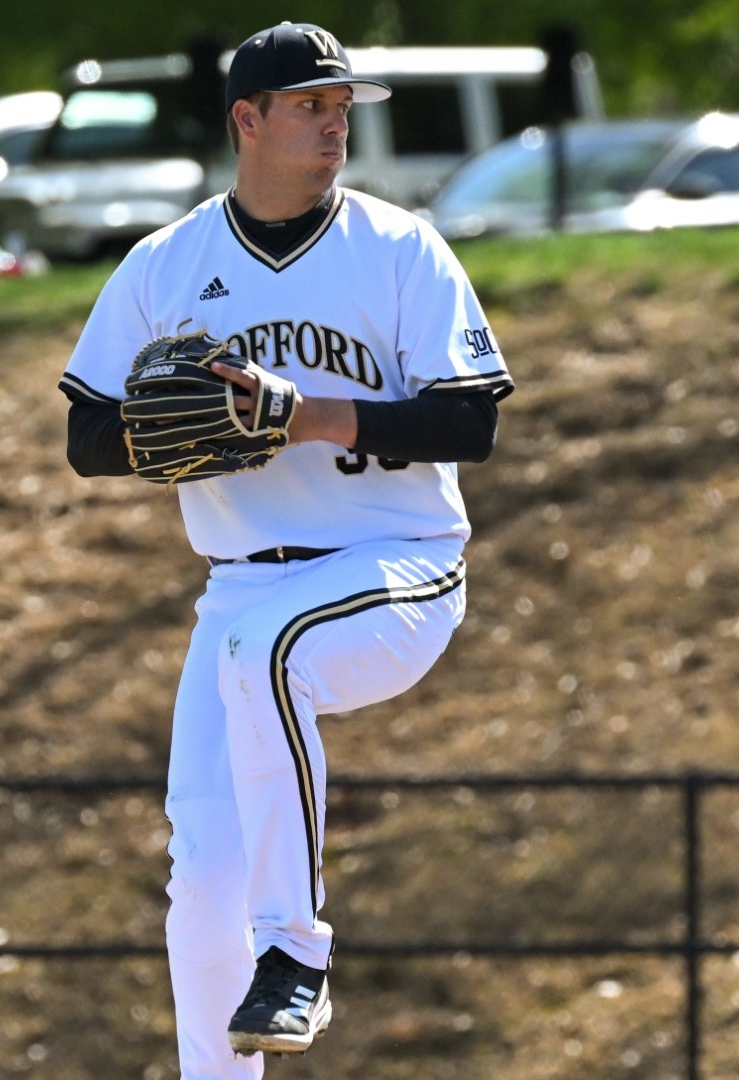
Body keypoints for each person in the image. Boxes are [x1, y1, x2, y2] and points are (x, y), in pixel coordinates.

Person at [59, 21, 512, 1077]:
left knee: (274, 655)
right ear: (247, 121)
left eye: (342, 107)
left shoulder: (398, 248)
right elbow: (87, 437)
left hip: (396, 569)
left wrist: (306, 416)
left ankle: (297, 952)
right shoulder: (167, 264)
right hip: (237, 592)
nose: (334, 125)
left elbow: (469, 424)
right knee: (203, 878)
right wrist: (189, 432)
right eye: (311, 105)